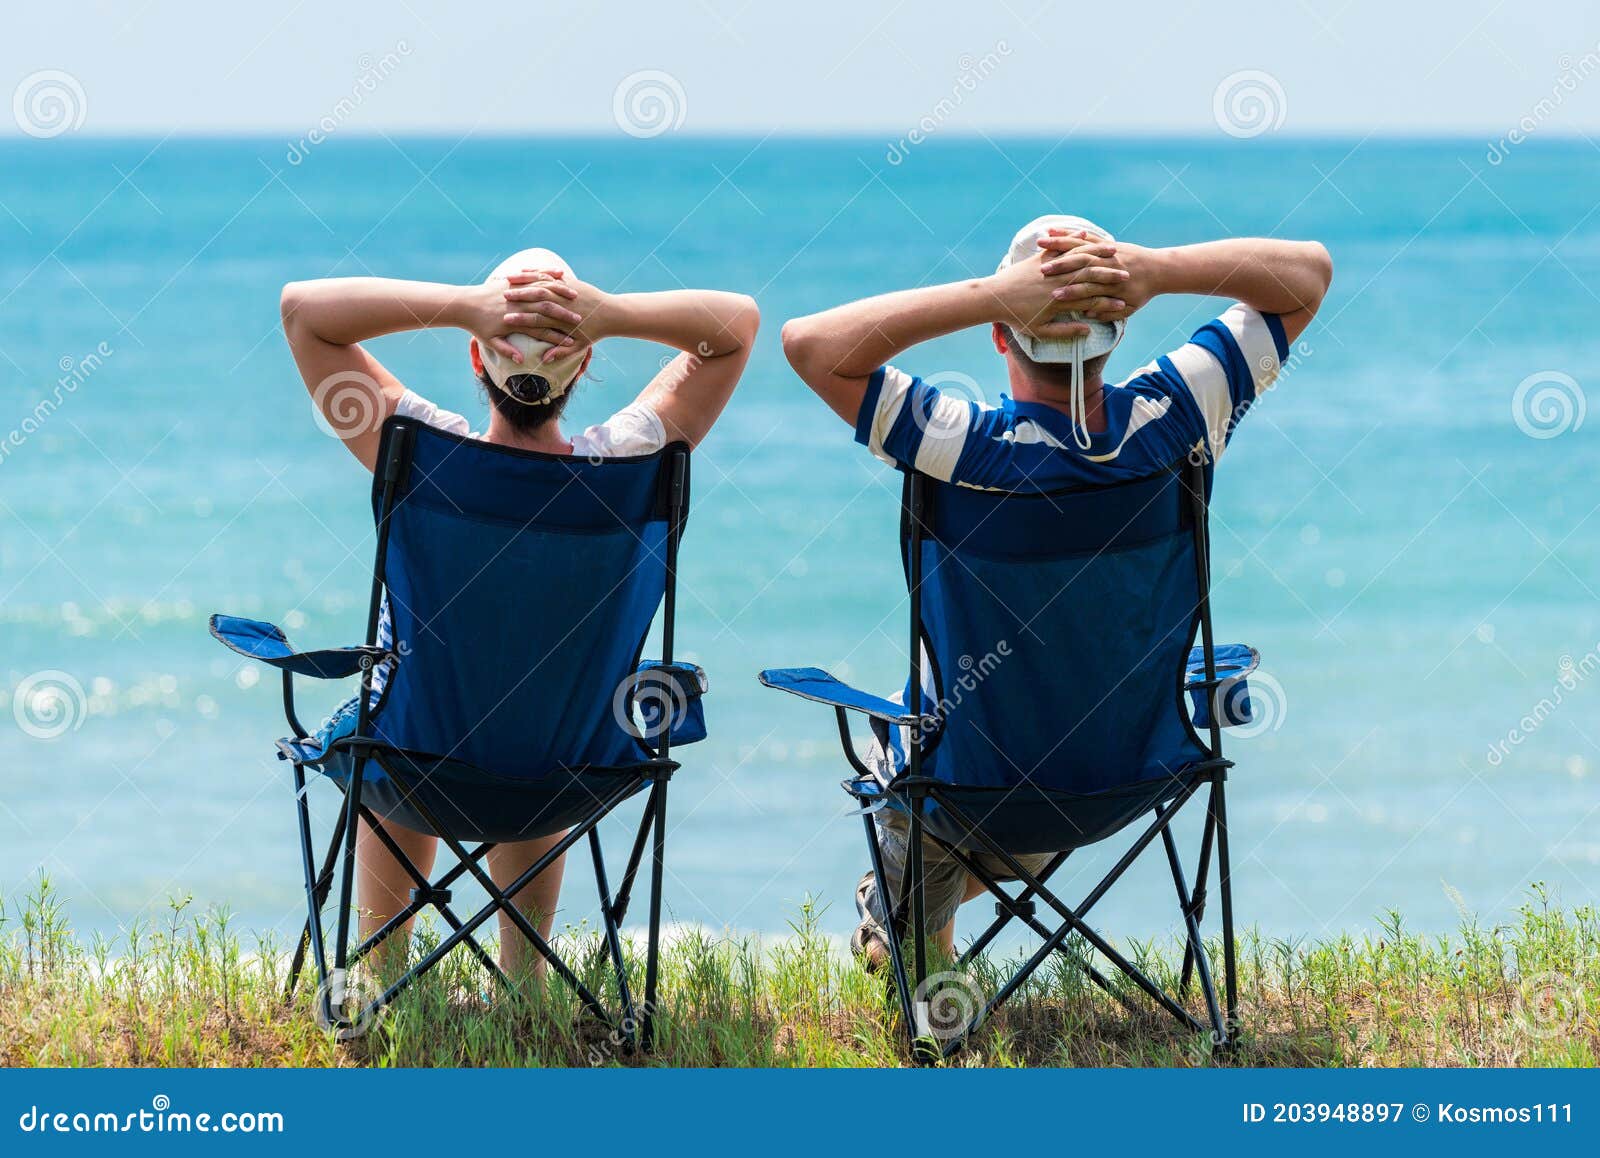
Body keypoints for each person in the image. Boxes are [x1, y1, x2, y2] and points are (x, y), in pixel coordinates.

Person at [779, 215, 1332, 966]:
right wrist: (1156, 270)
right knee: (1038, 715)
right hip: (1130, 773)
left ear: (1003, 338)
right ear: (1119, 329)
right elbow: (1309, 276)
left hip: (977, 786)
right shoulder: (1180, 415)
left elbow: (809, 346)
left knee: (939, 737)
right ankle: (909, 934)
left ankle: (918, 956)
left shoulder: (959, 446)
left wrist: (991, 295)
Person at [279, 248, 759, 979]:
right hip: (564, 772)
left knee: (401, 696)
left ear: (477, 356)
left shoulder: (419, 450)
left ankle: (377, 976)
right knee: (536, 698)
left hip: (414, 766)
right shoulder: (622, 466)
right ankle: (525, 987)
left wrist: (467, 303)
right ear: (585, 362)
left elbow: (303, 313)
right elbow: (736, 327)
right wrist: (612, 313)